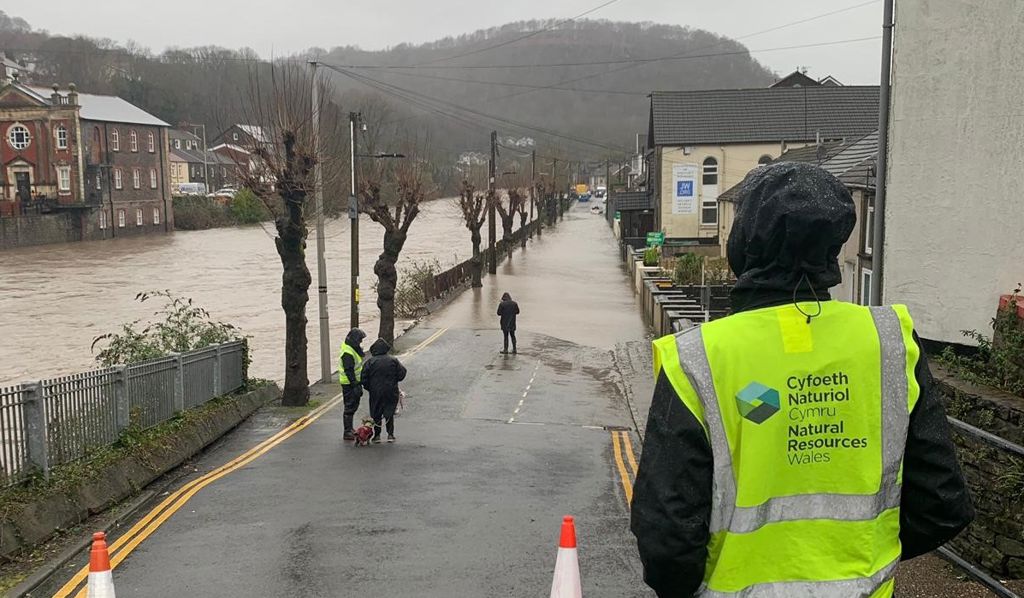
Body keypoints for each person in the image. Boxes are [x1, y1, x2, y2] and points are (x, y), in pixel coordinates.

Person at [630, 163, 973, 598]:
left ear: (744, 243)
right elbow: (943, 504)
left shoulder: (699, 358)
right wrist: (856, 565)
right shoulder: (889, 342)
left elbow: (666, 541)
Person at [361, 338, 407, 443]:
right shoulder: (393, 360)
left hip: (375, 391)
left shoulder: (370, 362)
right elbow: (402, 373)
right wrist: (394, 380)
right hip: (391, 390)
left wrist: (370, 387)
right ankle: (390, 435)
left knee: (376, 412)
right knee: (389, 412)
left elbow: (363, 378)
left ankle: (377, 436)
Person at [338, 328, 366, 441]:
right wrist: (355, 385)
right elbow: (349, 370)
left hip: (353, 382)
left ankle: (349, 429)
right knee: (349, 406)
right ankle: (347, 431)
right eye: (360, 340)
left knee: (353, 405)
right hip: (349, 383)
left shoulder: (351, 348)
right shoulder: (348, 353)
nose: (361, 342)